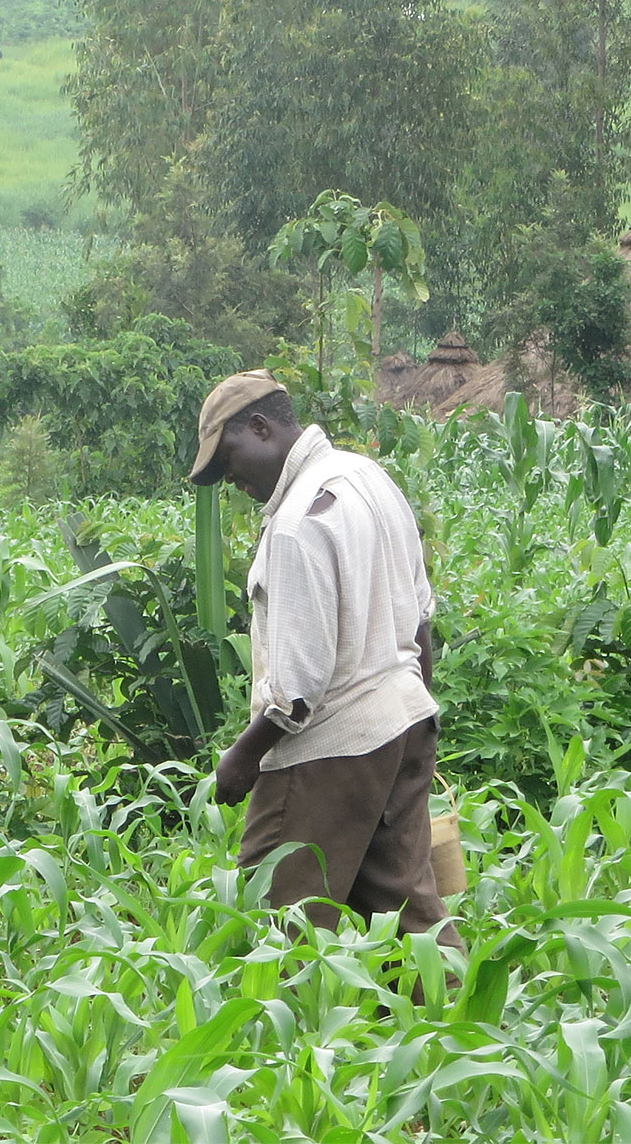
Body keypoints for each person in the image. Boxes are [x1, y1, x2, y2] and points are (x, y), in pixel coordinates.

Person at [188, 371, 462, 955]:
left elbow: (299, 691)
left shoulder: (295, 526)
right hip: (404, 720)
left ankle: (278, 1045)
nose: (230, 478)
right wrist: (418, 716)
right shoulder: (369, 477)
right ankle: (457, 1032)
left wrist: (243, 758)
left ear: (260, 427)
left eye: (228, 457)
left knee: (279, 916)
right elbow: (420, 617)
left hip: (331, 748)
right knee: (404, 912)